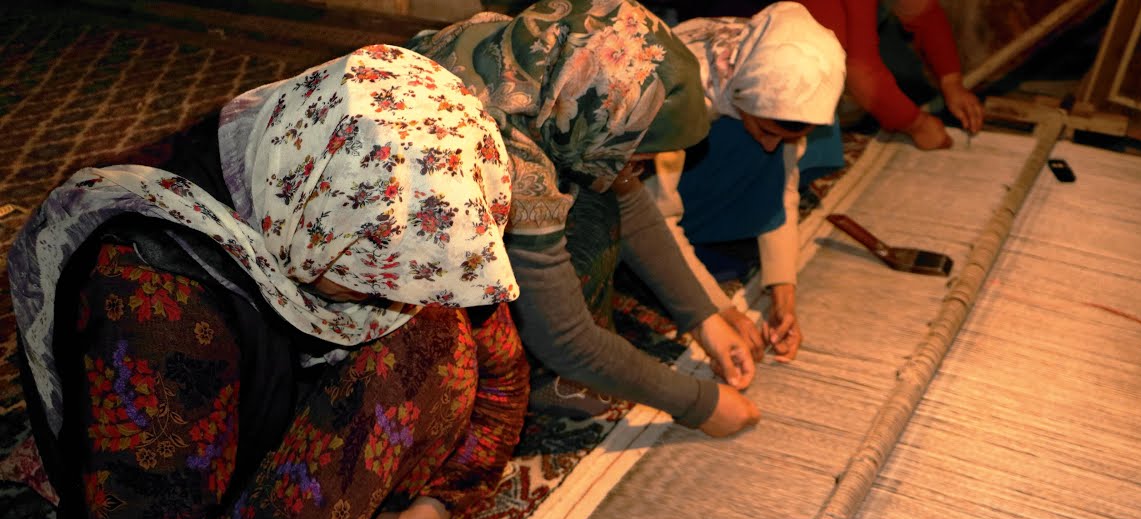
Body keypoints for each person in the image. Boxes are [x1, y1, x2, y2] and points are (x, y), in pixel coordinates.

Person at [9, 46, 527, 519]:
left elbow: (503, 375)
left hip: (269, 403)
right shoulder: (152, 291)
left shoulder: (358, 182)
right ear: (313, 229)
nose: (392, 302)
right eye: (374, 282)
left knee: (434, 337)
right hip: (179, 494)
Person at [407, 0, 761, 437]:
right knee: (587, 221)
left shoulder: (535, 59)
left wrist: (703, 318)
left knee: (599, 193)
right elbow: (567, 339)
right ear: (611, 119)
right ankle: (522, 382)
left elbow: (629, 202)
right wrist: (698, 404)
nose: (643, 167)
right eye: (639, 151)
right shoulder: (512, 162)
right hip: (398, 285)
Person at [641, 2, 847, 363]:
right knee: (747, 147)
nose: (771, 143)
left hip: (725, 119)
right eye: (767, 129)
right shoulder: (679, 97)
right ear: (741, 95)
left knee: (787, 149)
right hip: (647, 156)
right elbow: (654, 219)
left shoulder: (772, 71)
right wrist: (718, 310)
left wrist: (783, 294)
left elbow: (781, 189)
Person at [803, 0, 984, 150]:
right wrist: (916, 125)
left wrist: (951, 82)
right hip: (799, 58)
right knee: (809, 141)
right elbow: (860, 72)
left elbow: (923, 12)